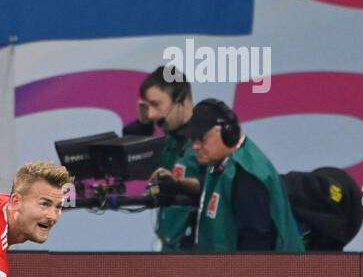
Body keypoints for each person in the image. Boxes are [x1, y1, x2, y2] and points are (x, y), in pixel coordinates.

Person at [183, 99, 304, 252]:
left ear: (228, 133)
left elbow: (255, 250)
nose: (195, 146)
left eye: (202, 138)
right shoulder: (223, 163)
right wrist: (179, 184)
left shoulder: (246, 178)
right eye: (193, 139)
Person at [123, 66, 203, 251]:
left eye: (156, 105)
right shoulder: (170, 142)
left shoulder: (206, 142)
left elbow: (216, 184)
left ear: (181, 100)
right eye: (147, 106)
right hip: (169, 247)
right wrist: (143, 124)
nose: (152, 114)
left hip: (198, 252)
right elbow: (131, 161)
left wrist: (179, 184)